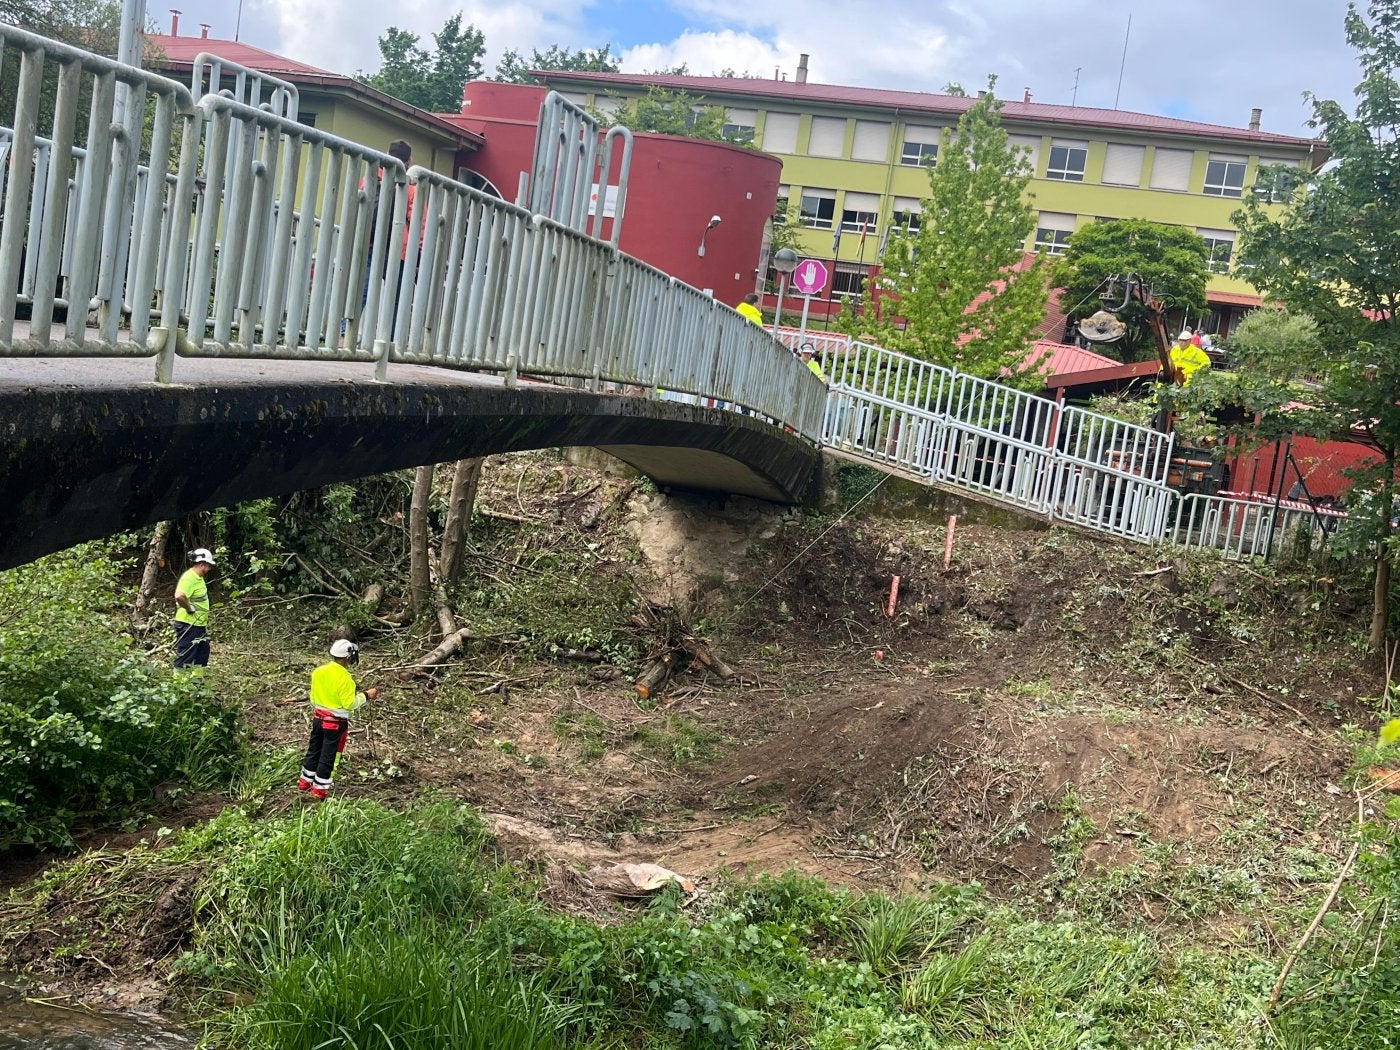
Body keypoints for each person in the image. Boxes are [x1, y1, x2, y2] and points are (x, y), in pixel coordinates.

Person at [298, 639, 375, 800]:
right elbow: (350, 704)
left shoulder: (318, 672)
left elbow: (313, 697)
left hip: (318, 719)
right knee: (329, 756)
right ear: (348, 658)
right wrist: (366, 696)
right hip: (335, 724)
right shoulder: (345, 679)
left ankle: (304, 782)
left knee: (314, 749)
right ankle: (319, 790)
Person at [173, 548, 215, 671]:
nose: (209, 569)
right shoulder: (189, 577)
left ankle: (197, 684)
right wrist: (189, 608)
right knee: (186, 655)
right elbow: (179, 595)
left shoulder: (198, 577)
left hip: (199, 624)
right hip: (188, 624)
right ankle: (178, 686)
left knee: (202, 653)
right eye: (208, 566)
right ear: (202, 564)